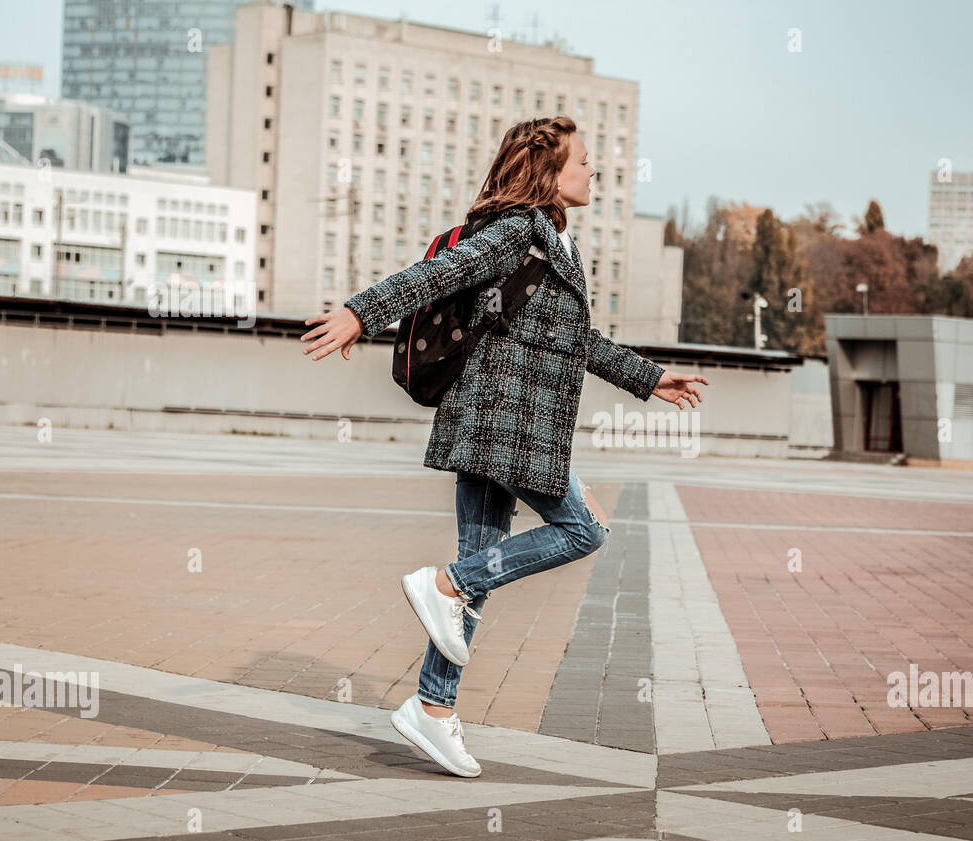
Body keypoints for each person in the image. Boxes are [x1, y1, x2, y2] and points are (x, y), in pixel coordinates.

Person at [301, 115, 709, 777]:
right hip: (506, 424)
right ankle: (443, 585)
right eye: (583, 160)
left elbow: (579, 345)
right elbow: (439, 273)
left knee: (480, 571)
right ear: (549, 169)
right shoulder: (518, 230)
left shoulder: (549, 244)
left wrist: (651, 376)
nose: (593, 171)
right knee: (582, 530)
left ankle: (432, 709)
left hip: (501, 425)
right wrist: (361, 312)